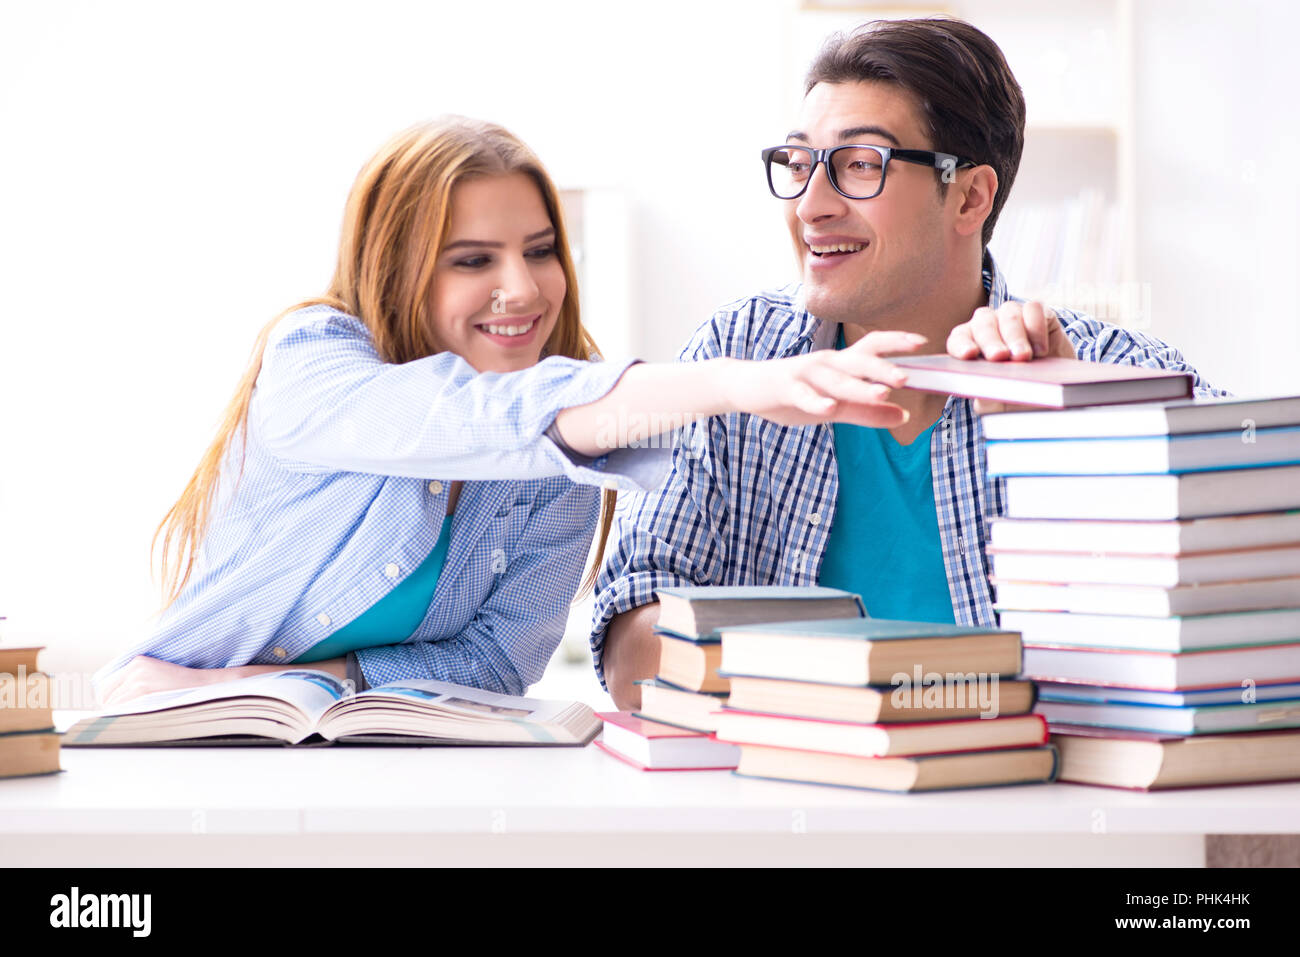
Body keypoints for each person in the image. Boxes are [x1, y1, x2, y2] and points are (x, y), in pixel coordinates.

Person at [93, 116, 923, 706]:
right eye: (472, 260)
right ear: (396, 270)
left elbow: (497, 661)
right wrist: (740, 382)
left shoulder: (564, 451)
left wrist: (307, 685)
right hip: (183, 739)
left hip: (381, 764)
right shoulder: (312, 360)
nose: (523, 289)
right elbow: (464, 418)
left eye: (539, 251)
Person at [591, 17, 1229, 709]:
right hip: (786, 796)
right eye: (800, 164)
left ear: (969, 196)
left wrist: (1082, 434)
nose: (811, 205)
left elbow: (1245, 596)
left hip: (1034, 808)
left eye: (862, 165)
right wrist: (852, 692)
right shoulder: (735, 355)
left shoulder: (1114, 371)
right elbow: (628, 647)